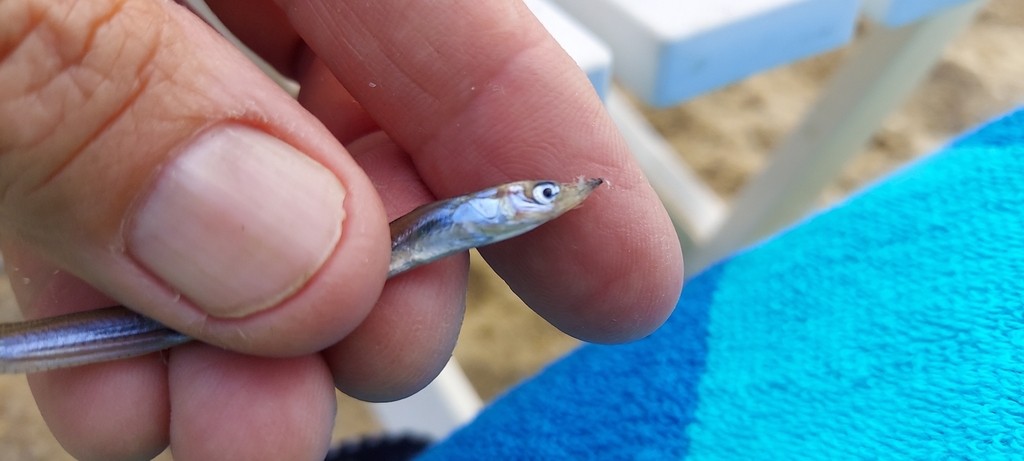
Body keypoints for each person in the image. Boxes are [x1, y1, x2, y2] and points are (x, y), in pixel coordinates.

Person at [0, 0, 683, 459]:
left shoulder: (443, 229)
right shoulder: (435, 223)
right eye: (536, 195)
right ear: (488, 207)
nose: (549, 200)